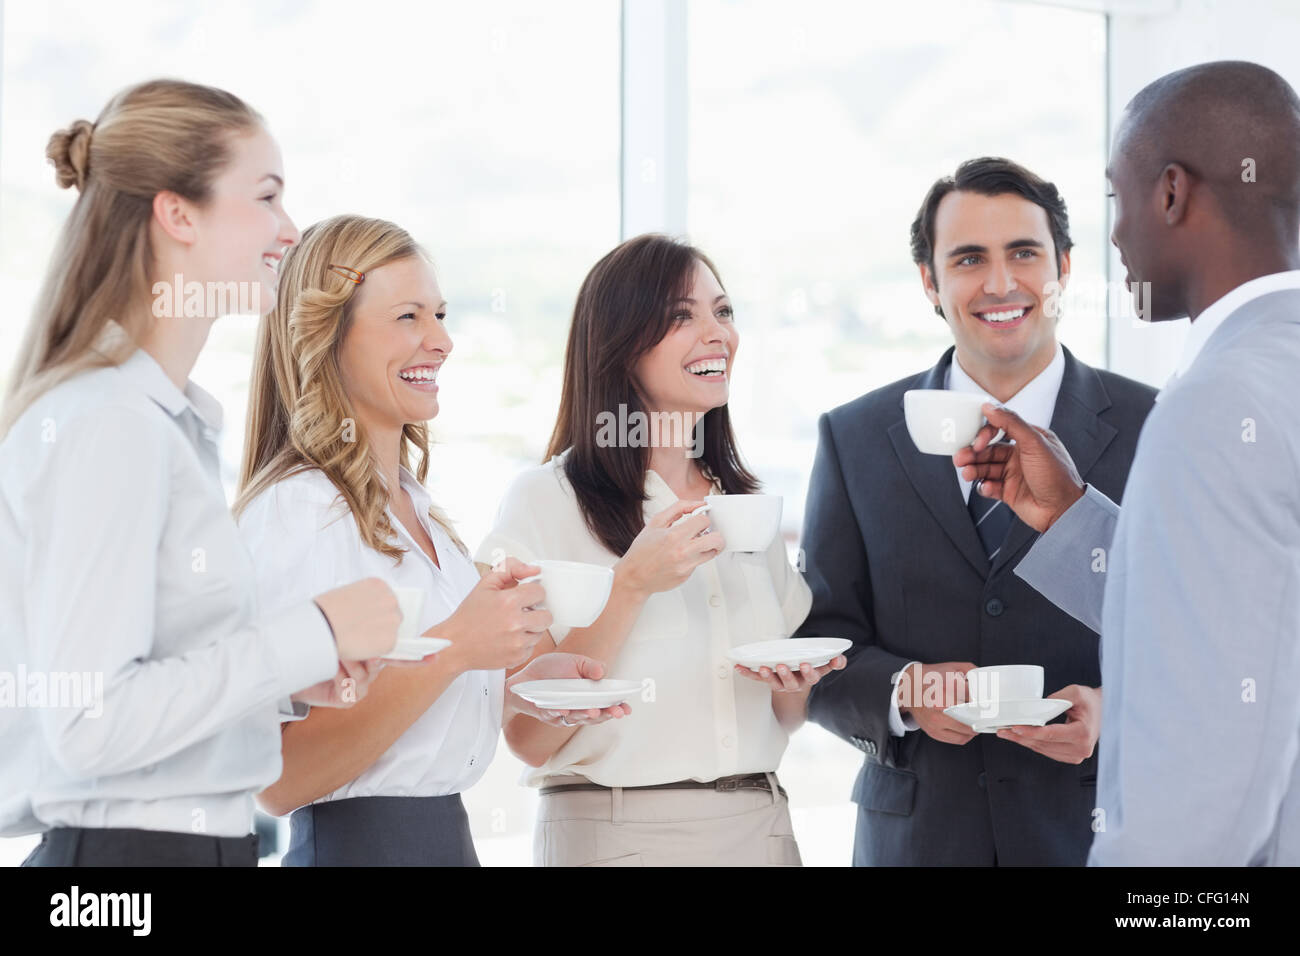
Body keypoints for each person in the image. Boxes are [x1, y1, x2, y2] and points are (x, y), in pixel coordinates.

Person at [0, 80, 398, 867]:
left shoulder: (160, 423)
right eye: (266, 197)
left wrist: (284, 681)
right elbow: (90, 723)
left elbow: (151, 684)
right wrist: (309, 635)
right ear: (178, 214)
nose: (288, 231)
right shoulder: (110, 424)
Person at [956, 61, 1300, 865]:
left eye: (1118, 197)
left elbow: (1203, 784)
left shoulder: (1214, 404)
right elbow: (1253, 618)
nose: (1111, 234)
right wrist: (1076, 519)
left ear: (1172, 193)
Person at [234, 214, 627, 866]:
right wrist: (455, 648)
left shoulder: (418, 512)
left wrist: (519, 683)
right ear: (328, 337)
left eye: (440, 315)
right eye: (409, 317)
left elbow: (412, 698)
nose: (442, 341)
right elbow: (278, 777)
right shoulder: (297, 512)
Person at [799, 158, 1157, 865]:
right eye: (968, 259)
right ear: (930, 281)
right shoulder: (856, 437)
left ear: (1064, 267)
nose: (999, 284)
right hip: (918, 842)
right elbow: (819, 648)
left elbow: (1198, 630)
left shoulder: (1156, 424)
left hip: (1093, 838)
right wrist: (906, 693)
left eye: (1023, 253)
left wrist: (1113, 714)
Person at [479, 234, 842, 866]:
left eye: (723, 312)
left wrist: (795, 684)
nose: (716, 333)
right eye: (682, 316)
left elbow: (783, 716)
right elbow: (529, 738)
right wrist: (631, 588)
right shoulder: (546, 501)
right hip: (613, 833)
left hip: (761, 827)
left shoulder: (746, 510)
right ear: (619, 344)